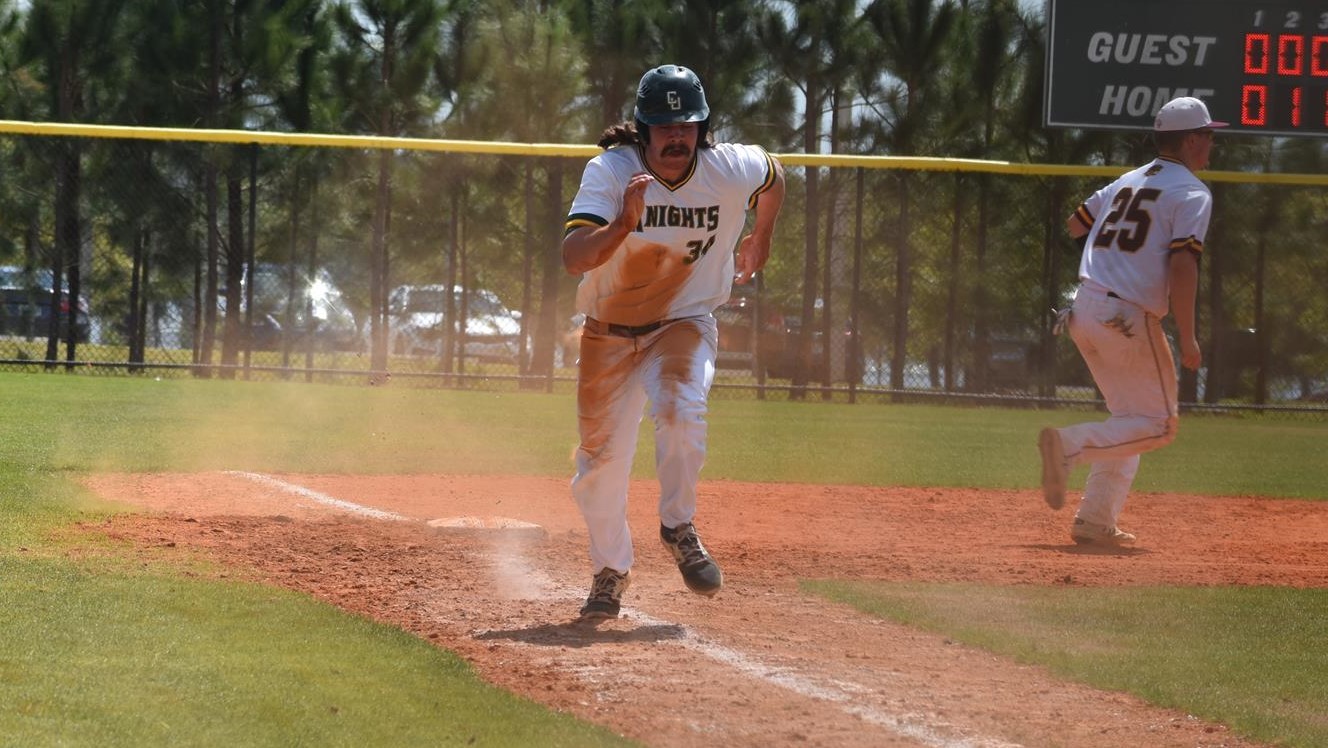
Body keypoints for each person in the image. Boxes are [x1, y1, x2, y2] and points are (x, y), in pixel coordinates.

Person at [562, 64, 786, 620]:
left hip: (682, 322)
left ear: (703, 128)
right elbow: (573, 258)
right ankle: (610, 571)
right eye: (663, 126)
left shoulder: (729, 169)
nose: (676, 136)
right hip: (608, 335)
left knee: (682, 412)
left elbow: (775, 175)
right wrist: (620, 225)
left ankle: (678, 525)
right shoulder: (612, 172)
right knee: (598, 473)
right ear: (642, 129)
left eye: (686, 124)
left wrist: (762, 235)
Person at [1039, 95, 1225, 546]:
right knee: (1159, 423)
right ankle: (1067, 447)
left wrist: (1118, 246)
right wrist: (1188, 336)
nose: (1211, 145)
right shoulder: (1192, 192)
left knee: (1129, 419)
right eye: (1208, 136)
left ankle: (1095, 520)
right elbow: (1184, 267)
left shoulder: (1128, 180)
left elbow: (1074, 224)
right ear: (1190, 140)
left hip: (1084, 309)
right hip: (1125, 316)